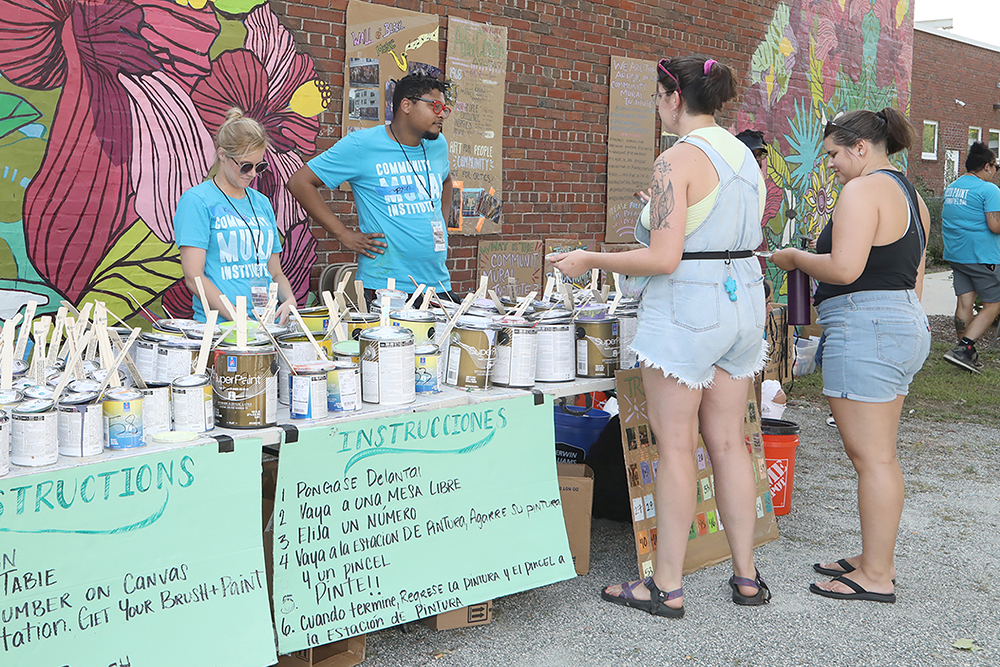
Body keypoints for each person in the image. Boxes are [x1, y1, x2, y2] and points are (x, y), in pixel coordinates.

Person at [550, 55, 770, 618]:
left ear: (674, 98)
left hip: (690, 307)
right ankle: (747, 576)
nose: (656, 107)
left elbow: (664, 257)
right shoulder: (744, 154)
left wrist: (587, 257)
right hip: (743, 299)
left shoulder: (675, 158)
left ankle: (664, 586)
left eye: (656, 97)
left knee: (676, 448)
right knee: (730, 443)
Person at [771, 108, 931, 604]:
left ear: (862, 147)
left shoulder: (861, 191)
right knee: (880, 454)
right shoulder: (912, 196)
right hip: (901, 323)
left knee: (873, 458)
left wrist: (794, 258)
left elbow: (843, 267)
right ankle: (874, 559)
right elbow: (913, 279)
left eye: (835, 154)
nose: (832, 165)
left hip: (868, 329)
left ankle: (877, 575)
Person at [286, 73, 455, 305]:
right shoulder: (361, 145)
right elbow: (300, 182)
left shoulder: (438, 145)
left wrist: (441, 224)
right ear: (406, 105)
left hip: (438, 285)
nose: (441, 114)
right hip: (387, 289)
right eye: (435, 106)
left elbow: (446, 181)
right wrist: (342, 234)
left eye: (444, 108)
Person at [175, 108, 296, 324]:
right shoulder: (197, 200)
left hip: (266, 323)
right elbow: (194, 277)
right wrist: (238, 319)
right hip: (222, 327)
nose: (252, 173)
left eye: (260, 166)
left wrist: (289, 300)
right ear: (222, 154)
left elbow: (275, 272)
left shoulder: (262, 202)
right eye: (245, 166)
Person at [940, 141, 1000, 372]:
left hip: (957, 254)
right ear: (986, 166)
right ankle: (964, 348)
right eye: (996, 167)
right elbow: (995, 226)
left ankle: (964, 350)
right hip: (982, 255)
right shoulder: (989, 190)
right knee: (993, 304)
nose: (995, 172)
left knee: (965, 302)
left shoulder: (953, 187)